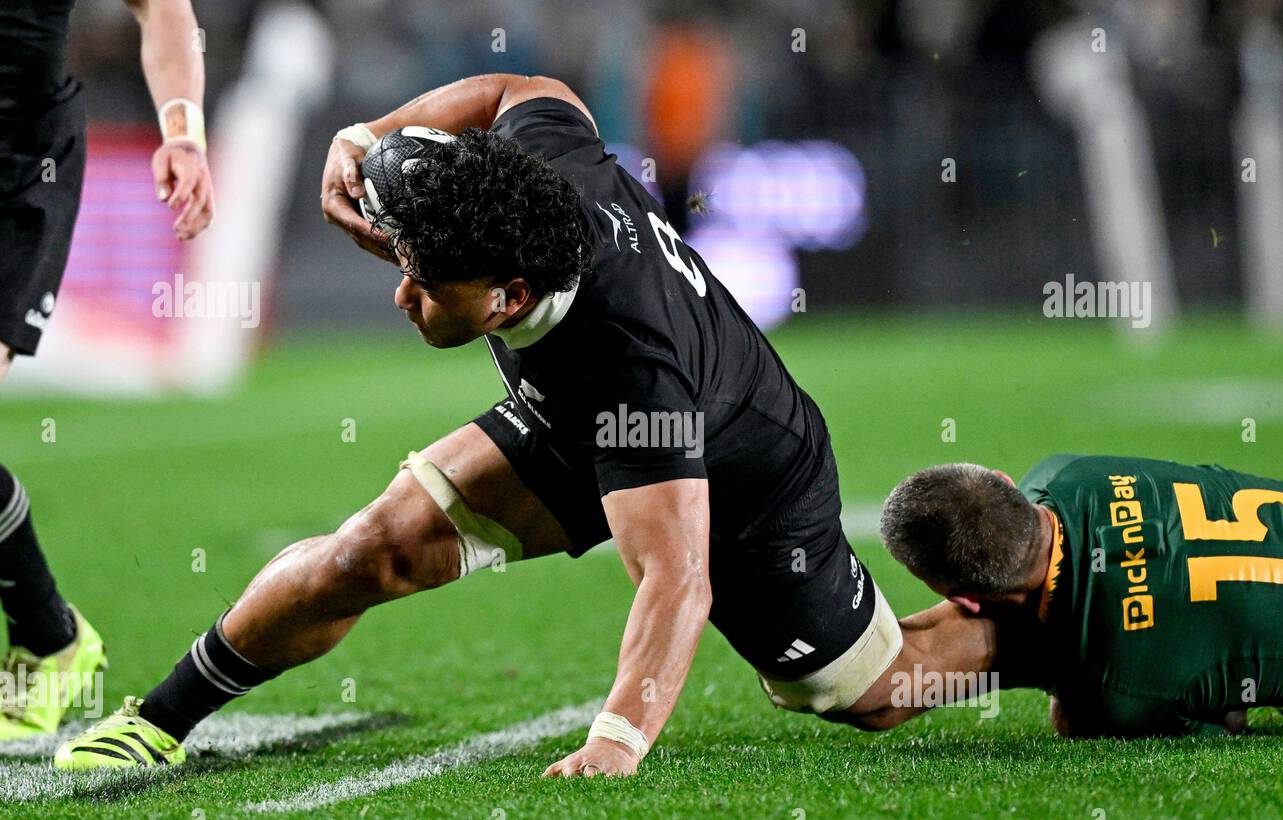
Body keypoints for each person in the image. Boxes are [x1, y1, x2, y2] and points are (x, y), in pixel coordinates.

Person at [55, 73, 908, 775]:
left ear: (510, 299)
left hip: (749, 471)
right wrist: (363, 132)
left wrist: (617, 739)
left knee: (856, 694)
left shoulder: (629, 356)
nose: (401, 294)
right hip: (578, 417)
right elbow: (518, 88)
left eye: (424, 281)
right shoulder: (531, 179)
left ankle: (1023, 623)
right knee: (374, 547)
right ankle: (160, 721)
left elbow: (676, 577)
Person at [0, 0, 214, 740]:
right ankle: (49, 634)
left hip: (16, 167)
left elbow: (161, 7)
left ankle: (47, 638)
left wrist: (182, 132)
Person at [875, 454, 1283, 737]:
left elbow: (1229, 718)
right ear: (1005, 482)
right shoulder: (1065, 471)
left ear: (964, 598)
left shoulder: (1110, 690)